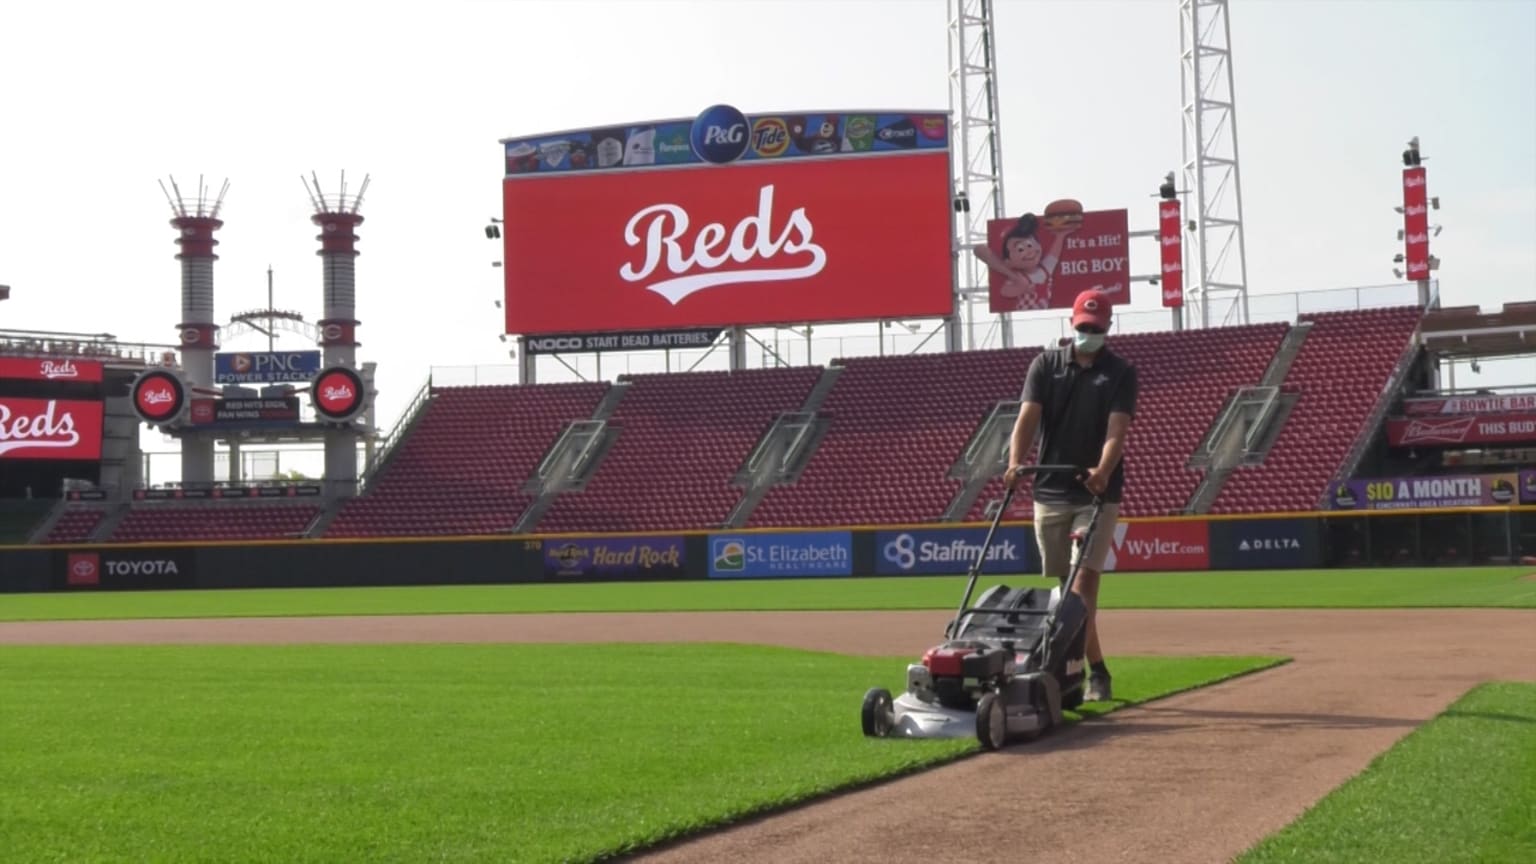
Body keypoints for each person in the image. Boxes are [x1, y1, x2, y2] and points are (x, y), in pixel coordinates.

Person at [1005, 288, 1138, 702]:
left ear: (1108, 328)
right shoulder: (1045, 365)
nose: (1088, 334)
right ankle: (1088, 669)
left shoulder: (1120, 372)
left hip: (1095, 494)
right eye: (1083, 327)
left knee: (1081, 591)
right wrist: (1014, 463)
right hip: (1048, 491)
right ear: (1071, 323)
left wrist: (1102, 471)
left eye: (1096, 329)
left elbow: (1117, 430)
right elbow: (1027, 418)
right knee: (1064, 594)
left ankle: (1088, 674)